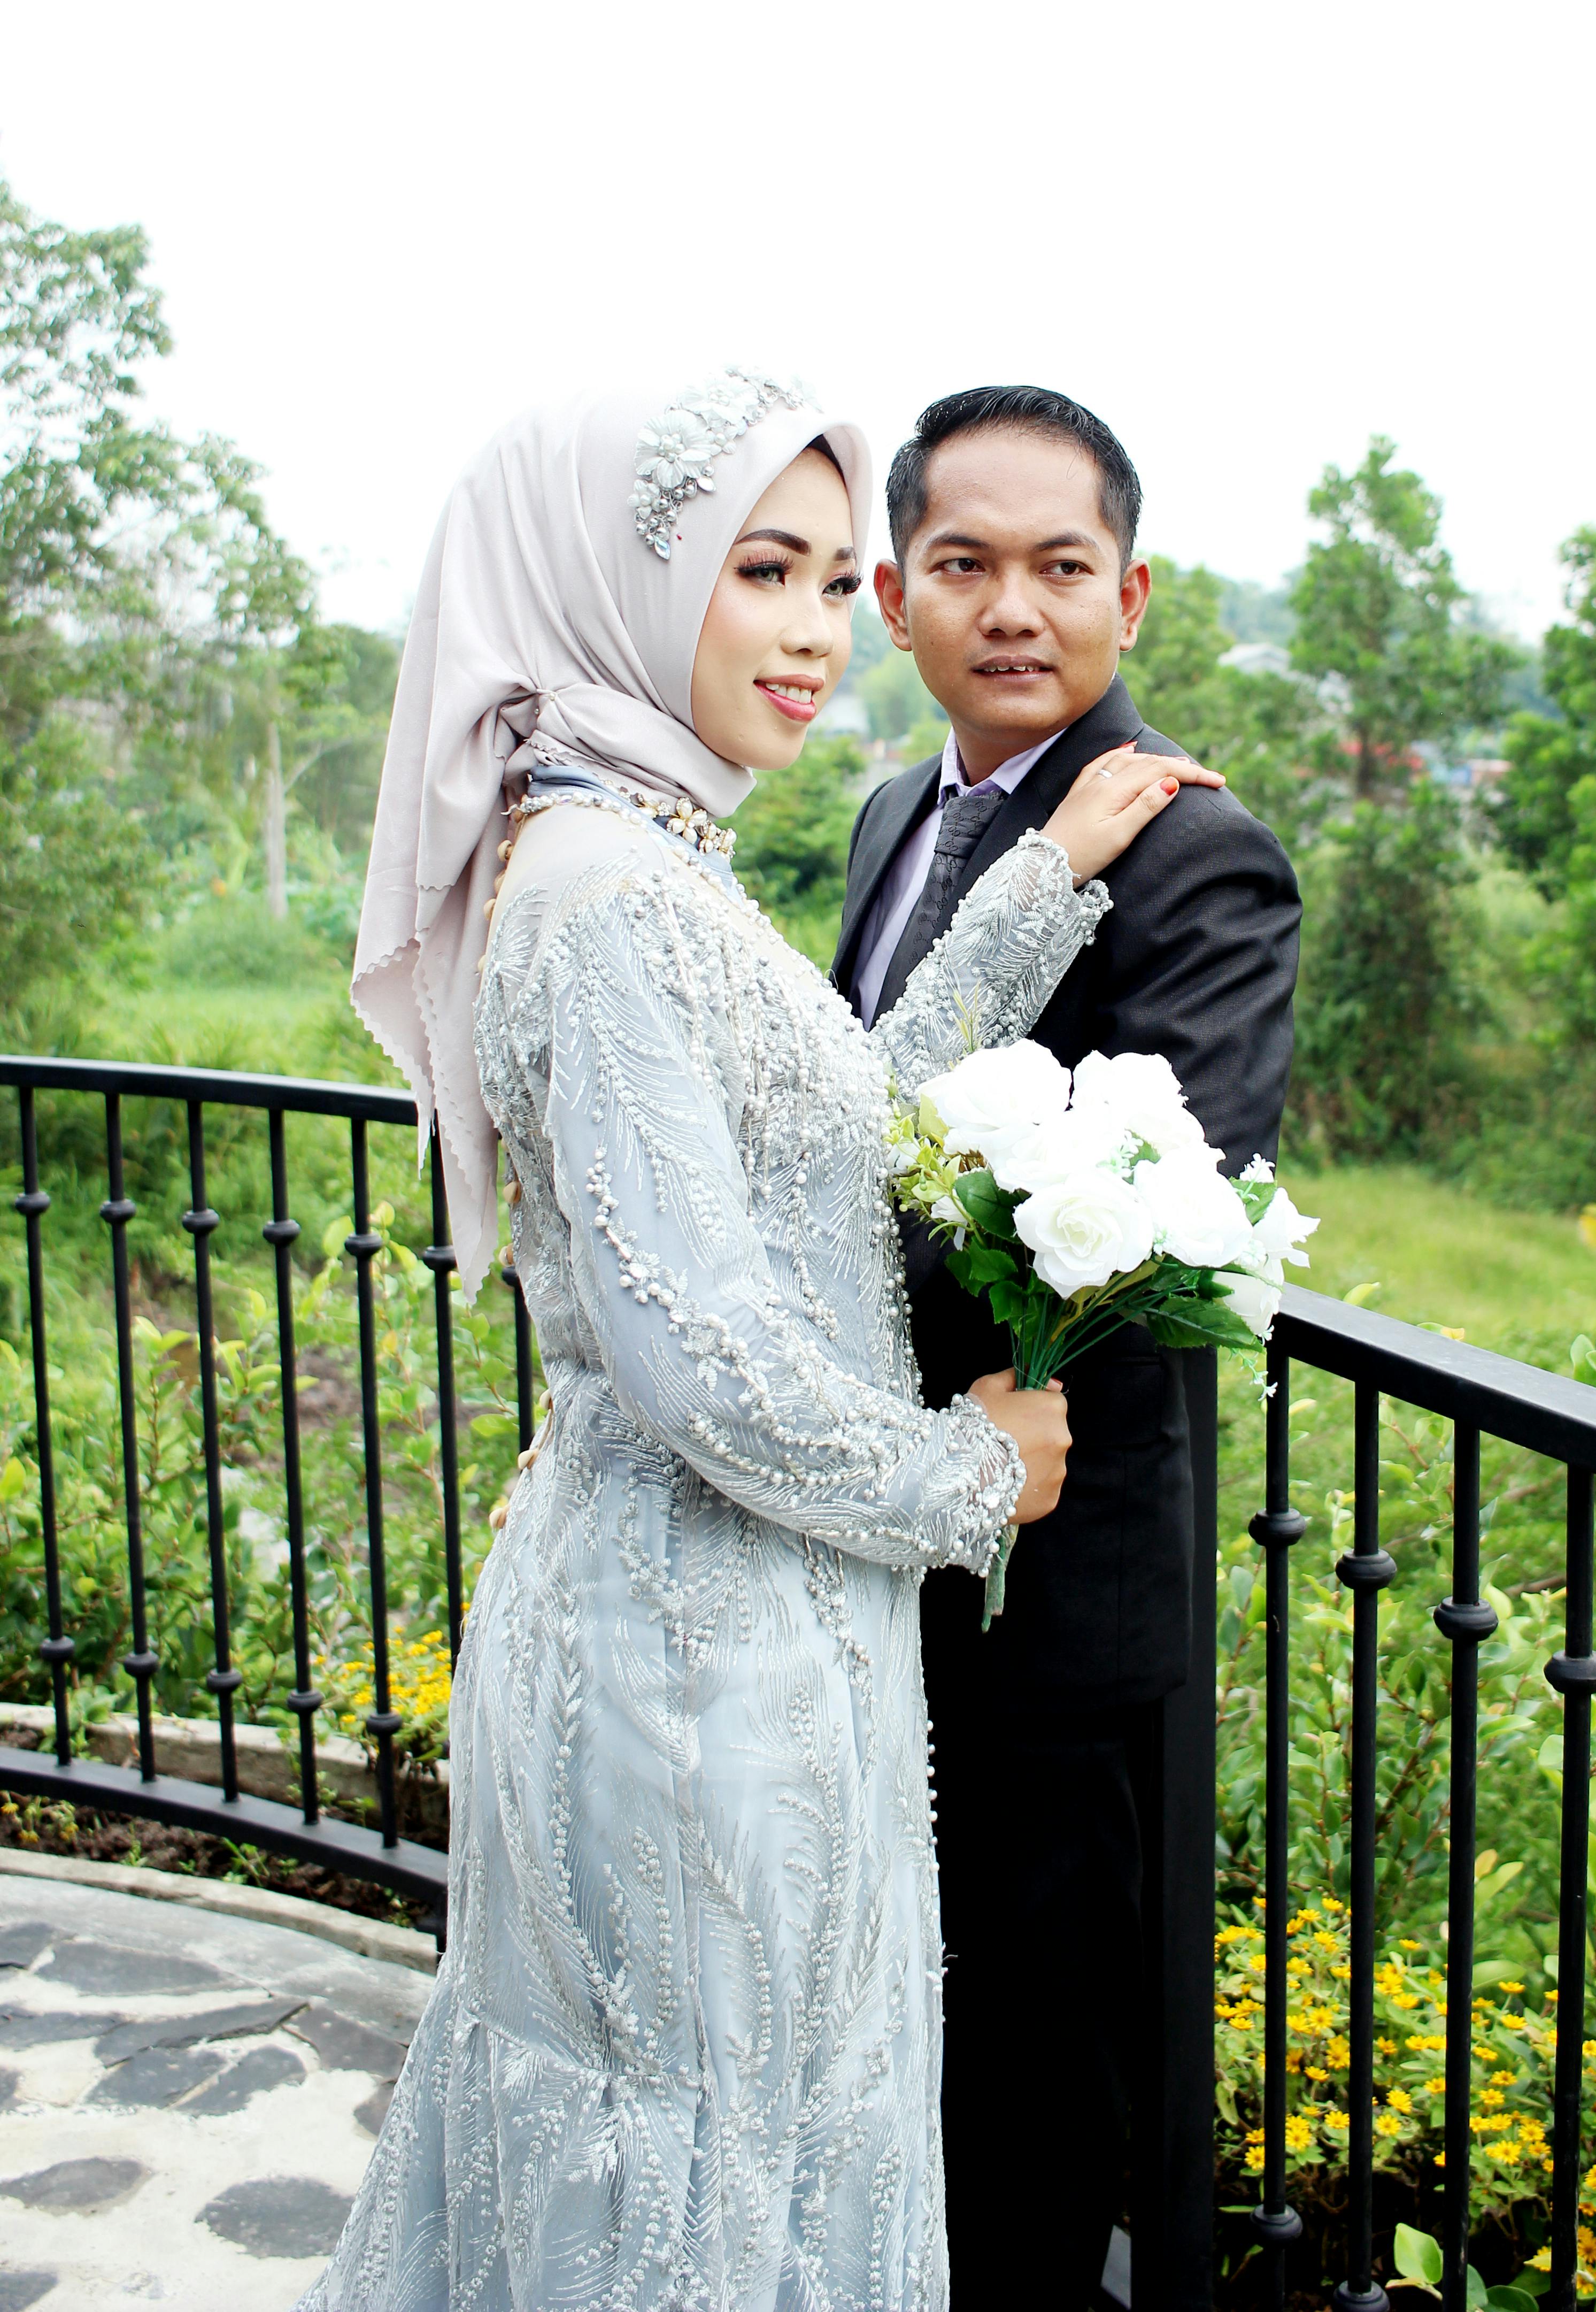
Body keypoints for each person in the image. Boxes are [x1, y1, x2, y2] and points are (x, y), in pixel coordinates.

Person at [302, 370, 1216, 2312]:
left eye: (823, 580)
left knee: (715, 2142)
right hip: (691, 1669)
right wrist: (978, 1472)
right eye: (758, 577)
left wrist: (1042, 885)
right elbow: (699, 1352)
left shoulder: (646, 850)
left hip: (743, 1641)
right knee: (694, 2162)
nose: (811, 636)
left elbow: (821, 1140)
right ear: (618, 594)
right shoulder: (612, 895)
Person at [832, 382, 1302, 2310]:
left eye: (1059, 567)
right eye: (966, 565)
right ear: (894, 594)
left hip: (1056, 1570)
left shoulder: (1195, 850)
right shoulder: (891, 810)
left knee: (1033, 2077)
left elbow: (1169, 1191)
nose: (1013, 608)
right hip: (876, 1526)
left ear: (1134, 594)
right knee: (894, 2031)